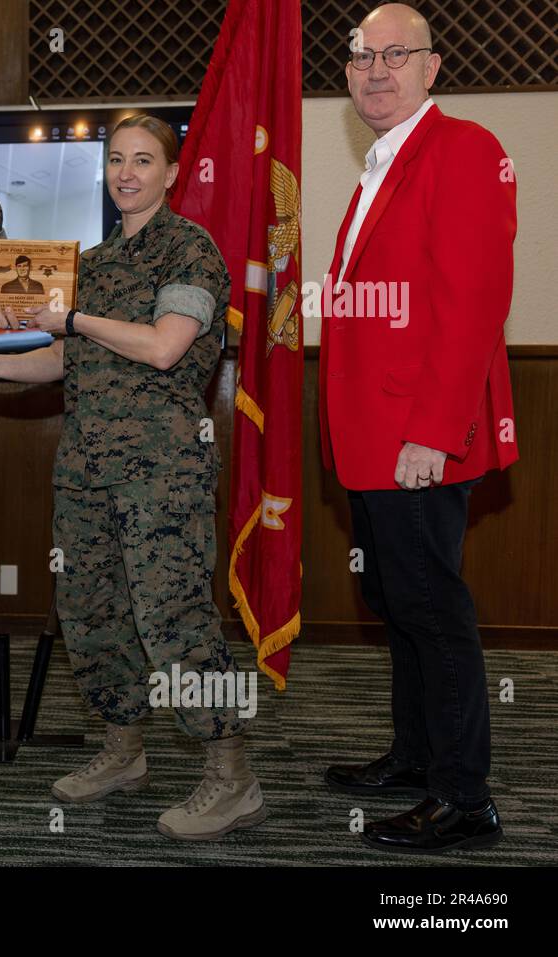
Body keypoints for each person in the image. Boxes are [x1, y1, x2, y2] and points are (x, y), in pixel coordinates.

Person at [0, 112, 266, 841]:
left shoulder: (189, 251)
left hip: (160, 474)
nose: (128, 173)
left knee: (175, 620)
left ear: (172, 173)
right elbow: (63, 358)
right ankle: (122, 750)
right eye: (117, 161)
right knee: (92, 614)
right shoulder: (96, 264)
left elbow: (166, 347)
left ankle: (232, 774)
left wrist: (73, 318)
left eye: (144, 160)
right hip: (85, 471)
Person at [320, 4, 517, 854]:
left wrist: (433, 432)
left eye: (395, 55)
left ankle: (463, 796)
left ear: (432, 68)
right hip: (374, 437)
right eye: (362, 56)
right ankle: (414, 754)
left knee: (434, 611)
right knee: (395, 602)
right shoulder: (377, 166)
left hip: (420, 439)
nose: (375, 70)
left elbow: (473, 305)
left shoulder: (466, 149)